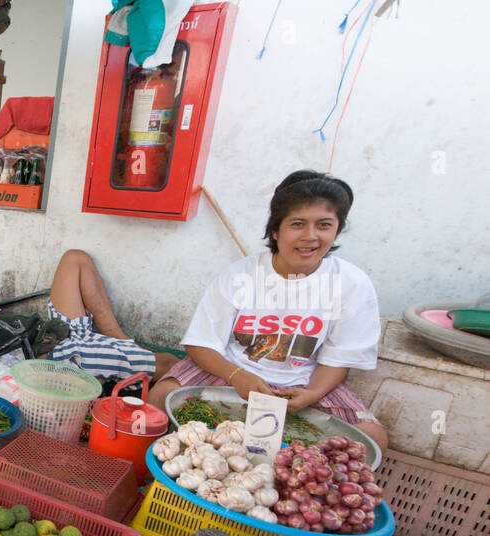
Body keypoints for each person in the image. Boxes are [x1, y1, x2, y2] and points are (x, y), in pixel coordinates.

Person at [147, 170, 387, 450]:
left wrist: (312, 393)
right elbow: (201, 345)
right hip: (232, 372)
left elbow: (338, 359)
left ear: (337, 229)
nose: (310, 237)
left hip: (302, 384)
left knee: (372, 439)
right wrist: (237, 376)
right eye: (297, 224)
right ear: (276, 230)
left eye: (324, 225)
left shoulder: (351, 284)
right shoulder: (241, 276)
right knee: (160, 397)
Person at [0, 249, 178, 379]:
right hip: (51, 352)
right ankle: (124, 353)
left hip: (57, 331)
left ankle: (120, 341)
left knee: (75, 258)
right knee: (167, 363)